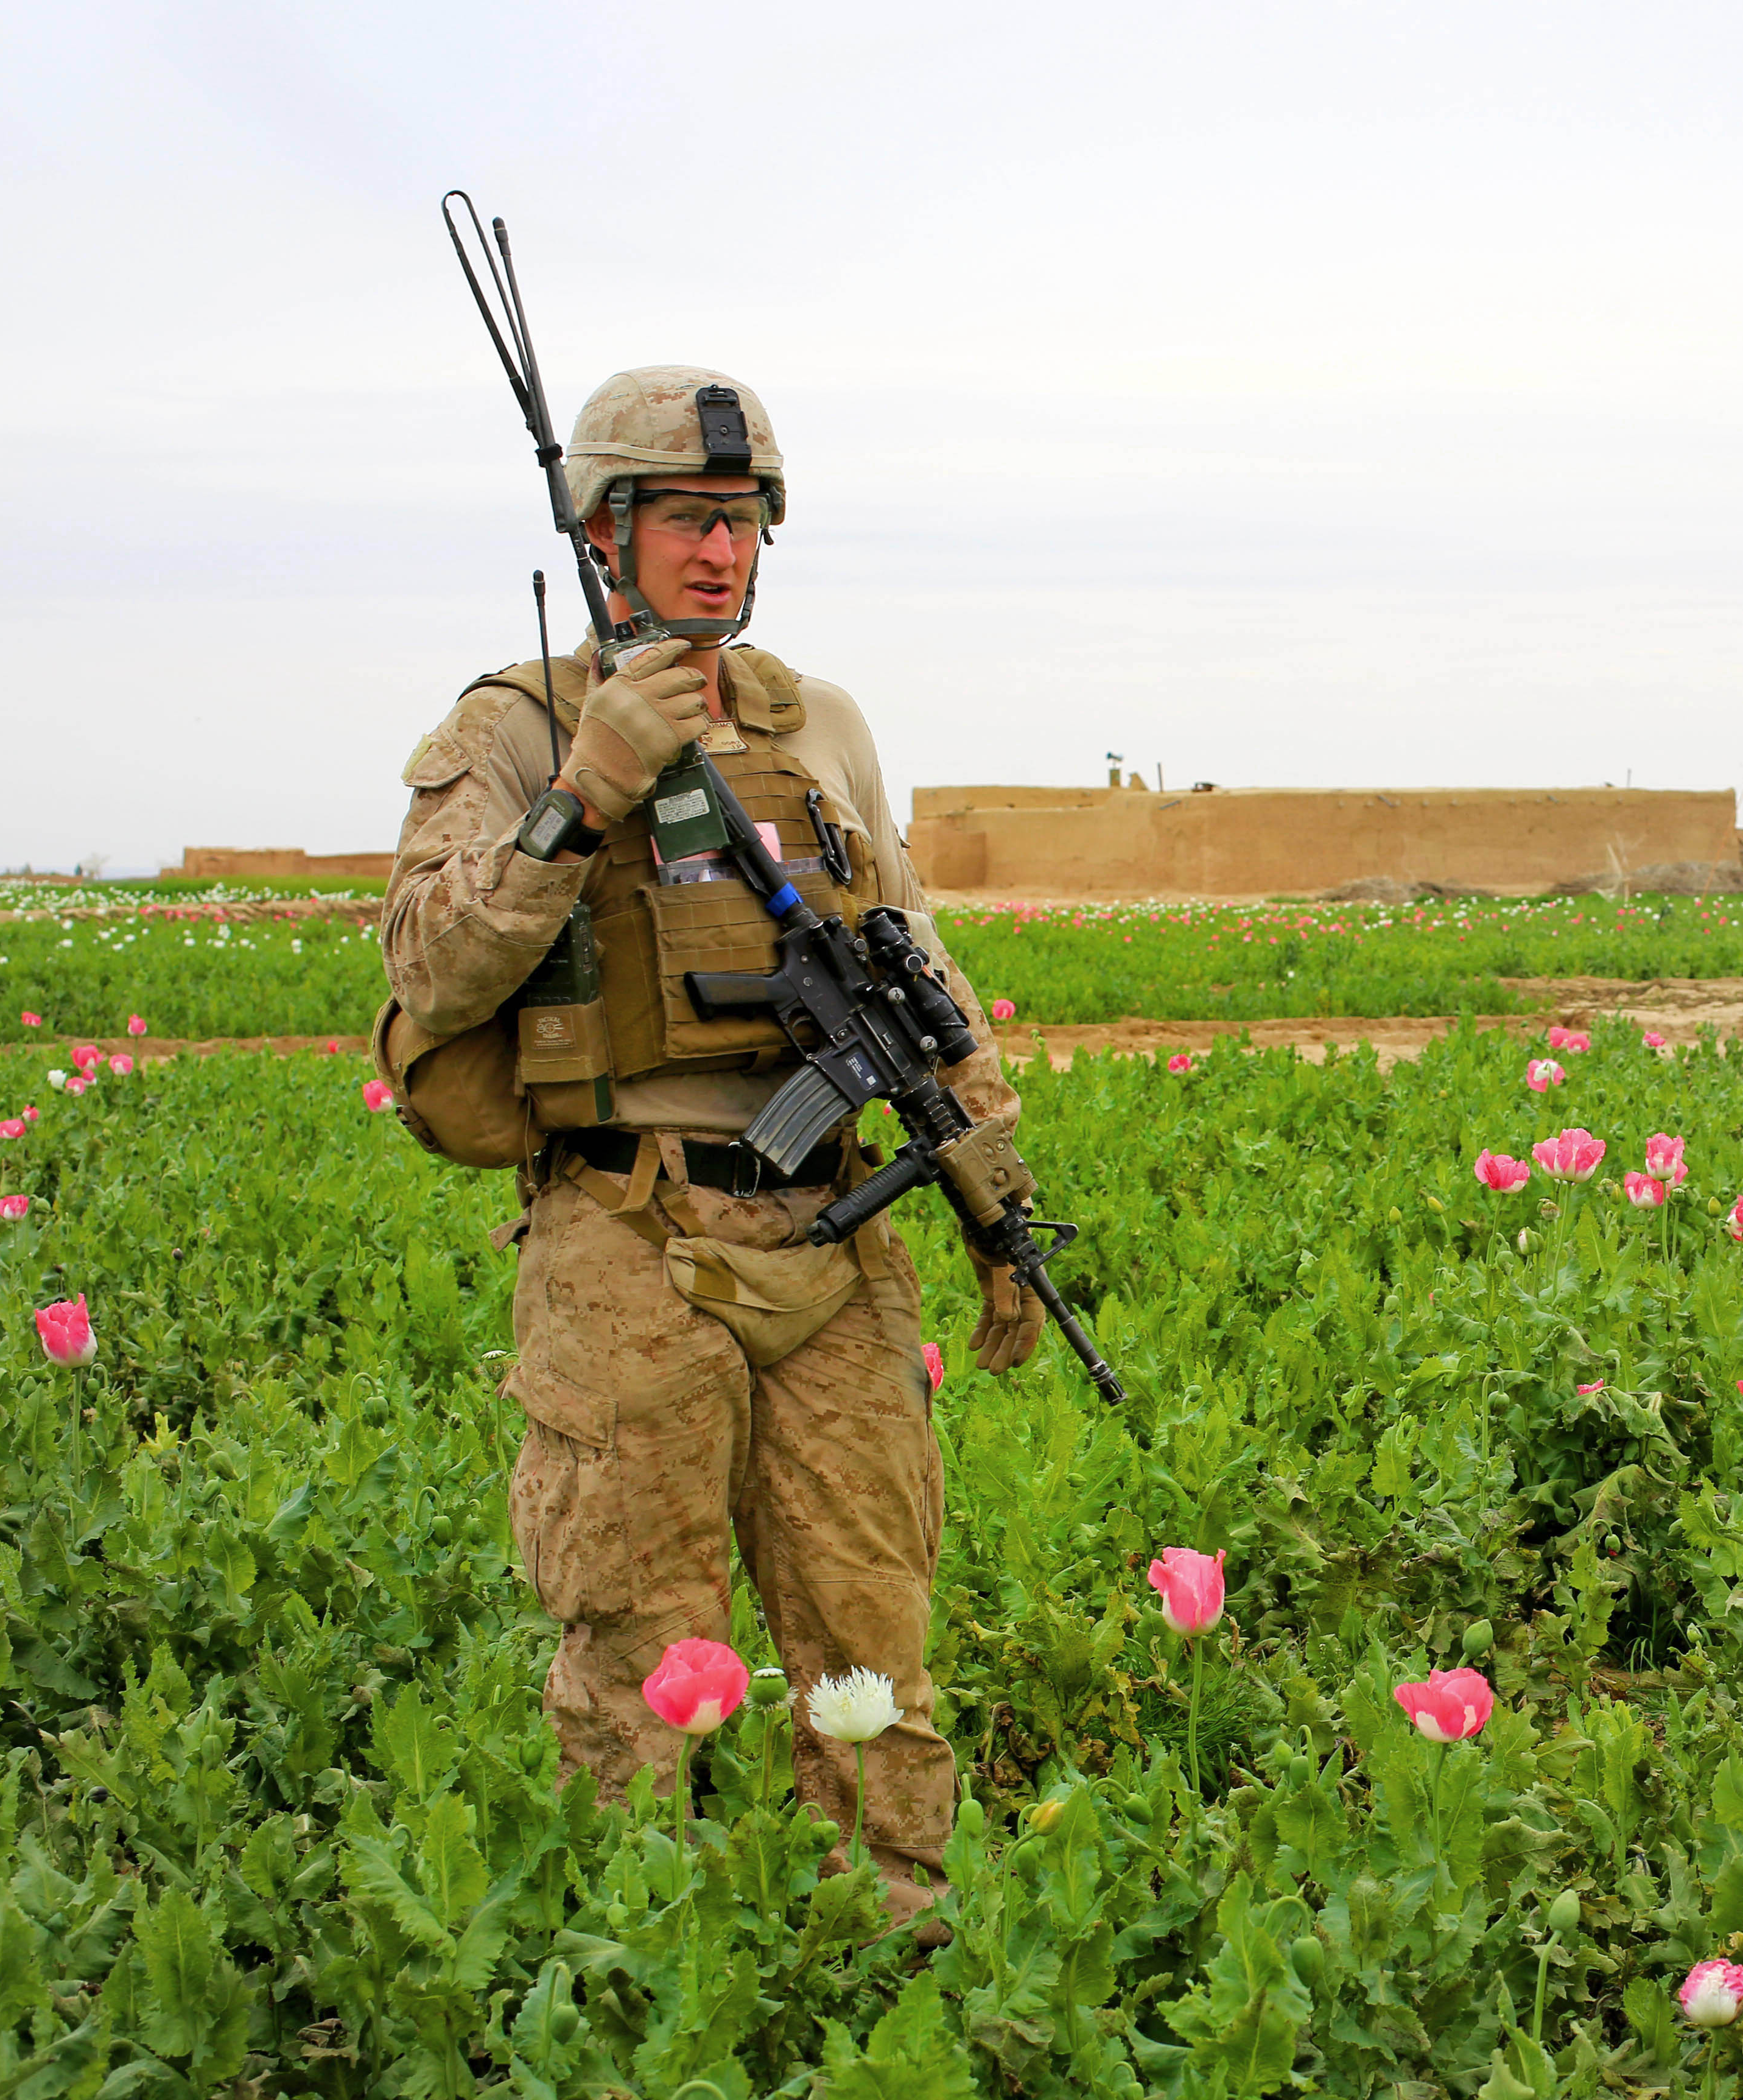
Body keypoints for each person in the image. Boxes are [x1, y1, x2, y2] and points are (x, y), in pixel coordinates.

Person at [379, 365, 1040, 1934]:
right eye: (686, 518)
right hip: (628, 1240)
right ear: (603, 532)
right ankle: (641, 1955)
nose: (721, 552)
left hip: (832, 1233)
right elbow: (428, 971)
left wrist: (995, 1201)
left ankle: (889, 1933)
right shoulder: (512, 730)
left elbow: (916, 974)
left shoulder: (822, 729)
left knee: (871, 1629)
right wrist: (584, 793)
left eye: (744, 522)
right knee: (637, 1638)